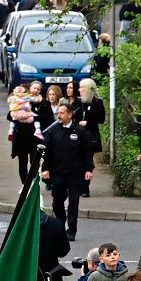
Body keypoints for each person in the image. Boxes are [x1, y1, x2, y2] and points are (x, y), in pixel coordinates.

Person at [41, 103, 93, 241]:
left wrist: (89, 169)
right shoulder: (53, 131)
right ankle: (60, 224)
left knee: (73, 202)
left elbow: (87, 152)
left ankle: (71, 230)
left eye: (62, 113)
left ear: (70, 115)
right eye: (58, 113)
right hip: (58, 173)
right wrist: (45, 169)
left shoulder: (80, 131)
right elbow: (46, 151)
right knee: (57, 203)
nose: (59, 115)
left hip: (75, 173)